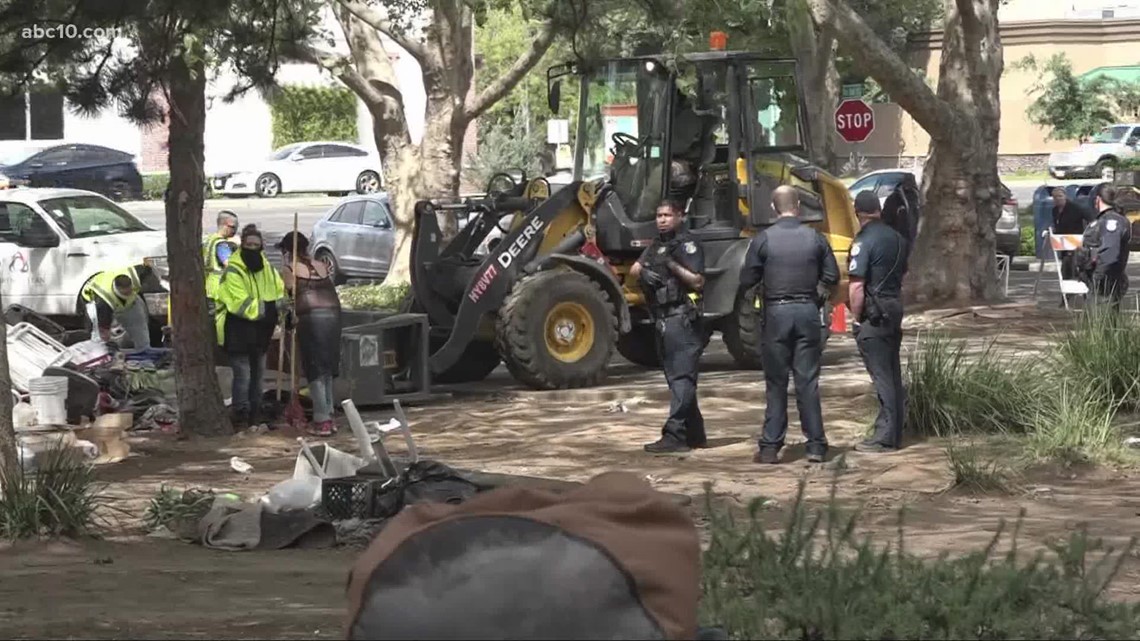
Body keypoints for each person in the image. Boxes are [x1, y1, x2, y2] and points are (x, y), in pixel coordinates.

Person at [740, 185, 839, 464]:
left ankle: (771, 447)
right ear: (798, 206)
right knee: (807, 381)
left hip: (776, 314)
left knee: (776, 383)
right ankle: (817, 446)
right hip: (807, 312)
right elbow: (831, 275)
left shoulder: (763, 240)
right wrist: (816, 296)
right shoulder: (815, 238)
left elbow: (747, 278)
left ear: (774, 208)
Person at [630, 199, 708, 454]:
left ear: (680, 216)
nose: (662, 220)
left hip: (682, 317)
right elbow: (635, 269)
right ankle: (695, 433)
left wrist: (672, 266)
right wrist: (643, 273)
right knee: (677, 379)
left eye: (667, 215)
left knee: (682, 378)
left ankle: (674, 434)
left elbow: (697, 281)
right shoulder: (657, 245)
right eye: (659, 215)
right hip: (662, 318)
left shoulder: (687, 244)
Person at [848, 191, 908, 453]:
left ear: (857, 211)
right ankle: (894, 431)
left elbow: (857, 286)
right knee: (892, 374)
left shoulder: (864, 240)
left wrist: (855, 317)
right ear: (879, 210)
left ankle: (885, 438)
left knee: (881, 376)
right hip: (894, 307)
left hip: (875, 312)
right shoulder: (898, 238)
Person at [216, 225, 286, 428]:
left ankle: (256, 413)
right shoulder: (234, 270)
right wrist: (272, 307)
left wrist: (285, 311)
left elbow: (279, 291)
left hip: (261, 332)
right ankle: (241, 413)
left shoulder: (268, 269)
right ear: (242, 246)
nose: (253, 248)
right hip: (238, 331)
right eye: (249, 245)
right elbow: (241, 304)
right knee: (243, 376)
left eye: (257, 245)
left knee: (258, 377)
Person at [278, 231, 343, 437]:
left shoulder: (289, 269)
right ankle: (330, 415)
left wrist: (285, 315)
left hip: (311, 317)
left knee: (314, 366)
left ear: (287, 251)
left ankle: (322, 419)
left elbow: (289, 296)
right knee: (327, 366)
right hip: (333, 316)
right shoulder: (321, 265)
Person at [1079, 184, 1131, 309]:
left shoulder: (1112, 221)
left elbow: (1110, 254)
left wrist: (1099, 277)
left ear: (1097, 199)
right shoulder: (1102, 220)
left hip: (1105, 286)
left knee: (1102, 322)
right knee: (1092, 322)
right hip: (1096, 284)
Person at [82, 264, 155, 348]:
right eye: (125, 293)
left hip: (130, 302)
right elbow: (103, 323)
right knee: (99, 337)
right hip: (95, 303)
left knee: (140, 326)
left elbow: (147, 268)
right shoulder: (104, 299)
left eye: (129, 290)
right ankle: (100, 353)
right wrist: (105, 333)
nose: (128, 293)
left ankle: (144, 349)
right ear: (117, 289)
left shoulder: (136, 275)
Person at [1051, 188, 1096, 281]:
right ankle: (1067, 290)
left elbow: (1090, 218)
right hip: (1062, 241)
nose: (1058, 199)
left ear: (1065, 197)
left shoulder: (1074, 208)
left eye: (1060, 196)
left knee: (1072, 265)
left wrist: (1089, 232)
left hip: (1075, 241)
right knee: (1065, 265)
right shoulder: (1055, 210)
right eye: (1055, 197)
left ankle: (1077, 284)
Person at [204, 210, 239, 301]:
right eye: (233, 227)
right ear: (225, 224)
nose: (235, 230)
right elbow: (230, 265)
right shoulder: (222, 245)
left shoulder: (210, 239)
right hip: (219, 288)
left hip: (209, 285)